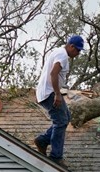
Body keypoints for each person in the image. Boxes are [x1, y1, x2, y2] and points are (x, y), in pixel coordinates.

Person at [34, 35, 85, 165]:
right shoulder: (62, 55)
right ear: (71, 46)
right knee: (61, 121)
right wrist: (57, 94)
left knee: (66, 117)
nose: (78, 53)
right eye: (77, 50)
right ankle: (56, 157)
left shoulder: (59, 52)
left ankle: (43, 140)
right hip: (50, 93)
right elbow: (53, 73)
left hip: (48, 91)